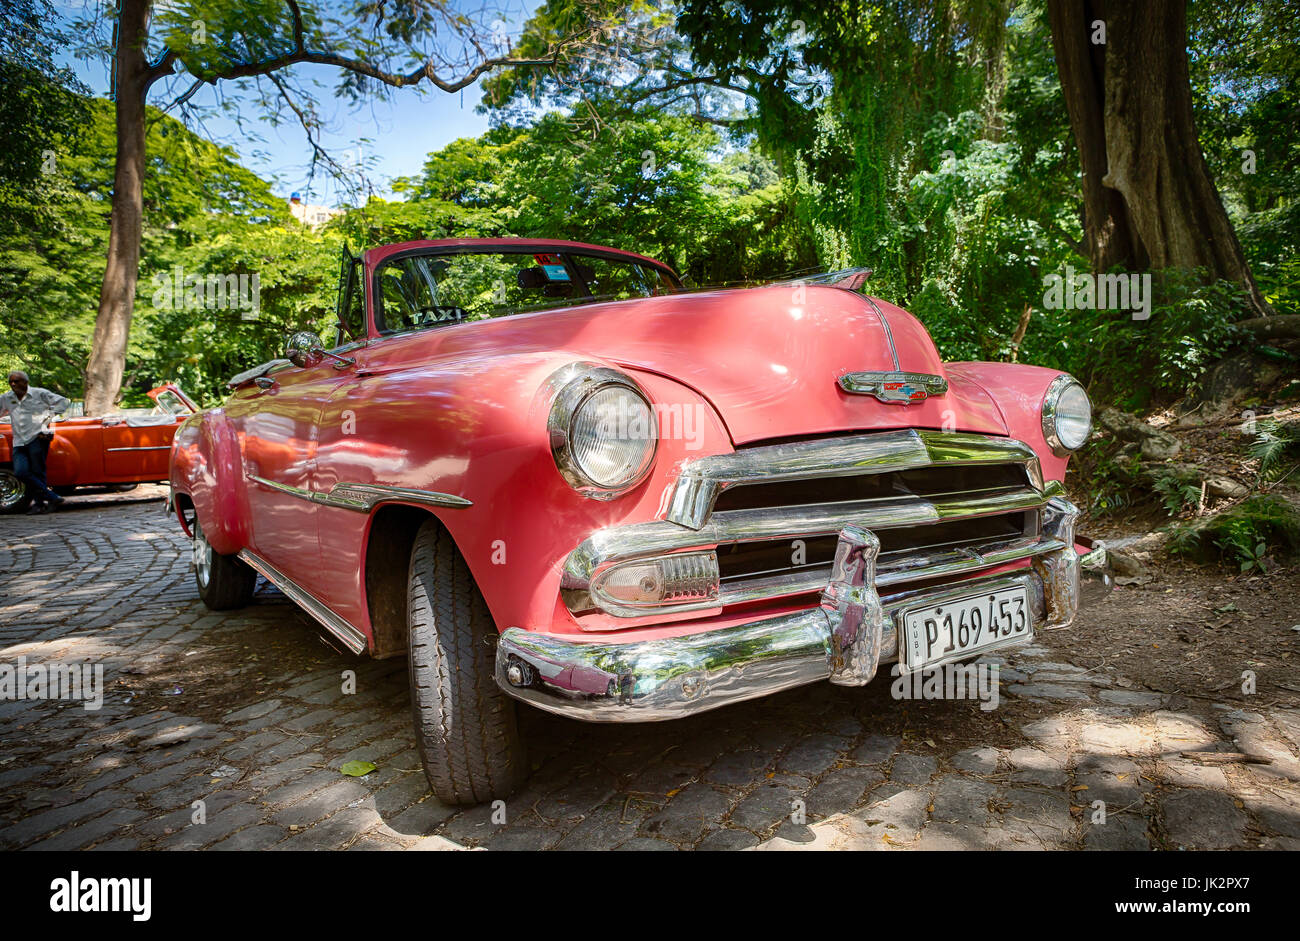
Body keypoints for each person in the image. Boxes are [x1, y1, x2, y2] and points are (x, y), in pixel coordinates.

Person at [0, 370, 71, 513]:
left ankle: (39, 505)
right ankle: (52, 497)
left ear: (25, 382)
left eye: (17, 381)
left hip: (37, 438)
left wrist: (48, 418)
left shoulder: (40, 393)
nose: (13, 384)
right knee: (20, 472)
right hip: (19, 440)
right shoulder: (7, 398)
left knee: (38, 472)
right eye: (11, 382)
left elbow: (64, 402)